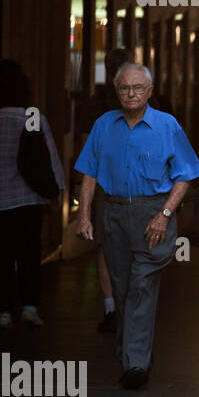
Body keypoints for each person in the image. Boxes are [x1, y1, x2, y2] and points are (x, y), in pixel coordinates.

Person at [74, 63, 199, 389]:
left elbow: (187, 174)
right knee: (122, 289)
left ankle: (136, 365)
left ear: (150, 91)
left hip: (153, 214)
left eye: (138, 88)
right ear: (116, 92)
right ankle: (129, 353)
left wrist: (165, 214)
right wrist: (84, 215)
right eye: (124, 89)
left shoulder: (166, 125)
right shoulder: (104, 125)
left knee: (142, 285)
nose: (131, 94)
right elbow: (88, 173)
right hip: (114, 213)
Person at [0, 63, 64, 330]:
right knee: (29, 255)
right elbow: (48, 158)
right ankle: (29, 308)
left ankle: (3, 312)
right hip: (27, 200)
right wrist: (56, 192)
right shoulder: (32, 117)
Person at [76, 47, 131, 334]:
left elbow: (88, 155)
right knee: (136, 245)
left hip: (102, 185)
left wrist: (83, 198)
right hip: (138, 185)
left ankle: (112, 307)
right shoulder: (148, 99)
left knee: (105, 248)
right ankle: (128, 308)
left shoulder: (93, 104)